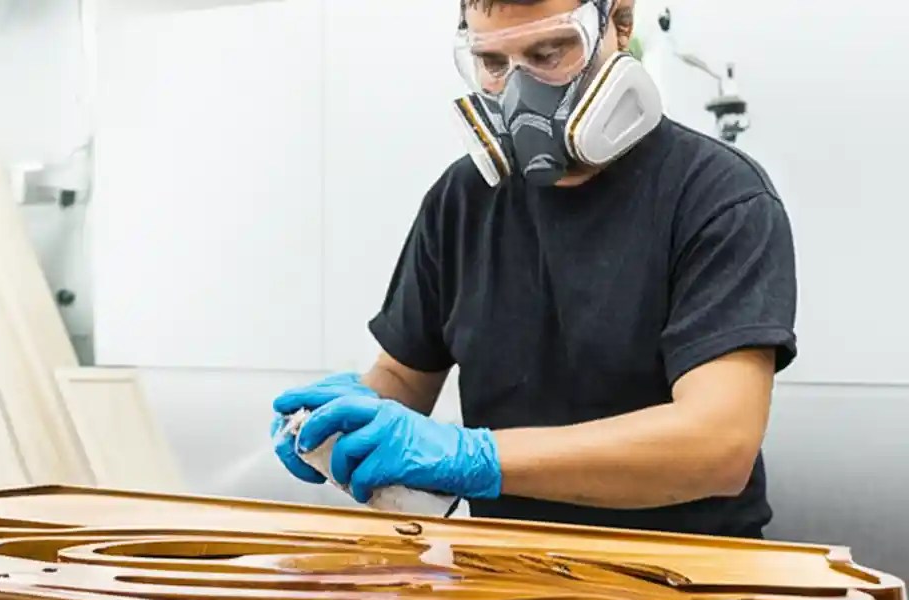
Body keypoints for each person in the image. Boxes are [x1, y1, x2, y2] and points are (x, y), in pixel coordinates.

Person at [270, 0, 797, 539]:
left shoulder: (719, 198)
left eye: (549, 52)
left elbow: (718, 446)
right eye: (494, 63)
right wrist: (343, 417)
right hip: (510, 570)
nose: (518, 89)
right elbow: (403, 377)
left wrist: (474, 457)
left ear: (619, 23)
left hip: (690, 575)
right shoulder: (463, 199)